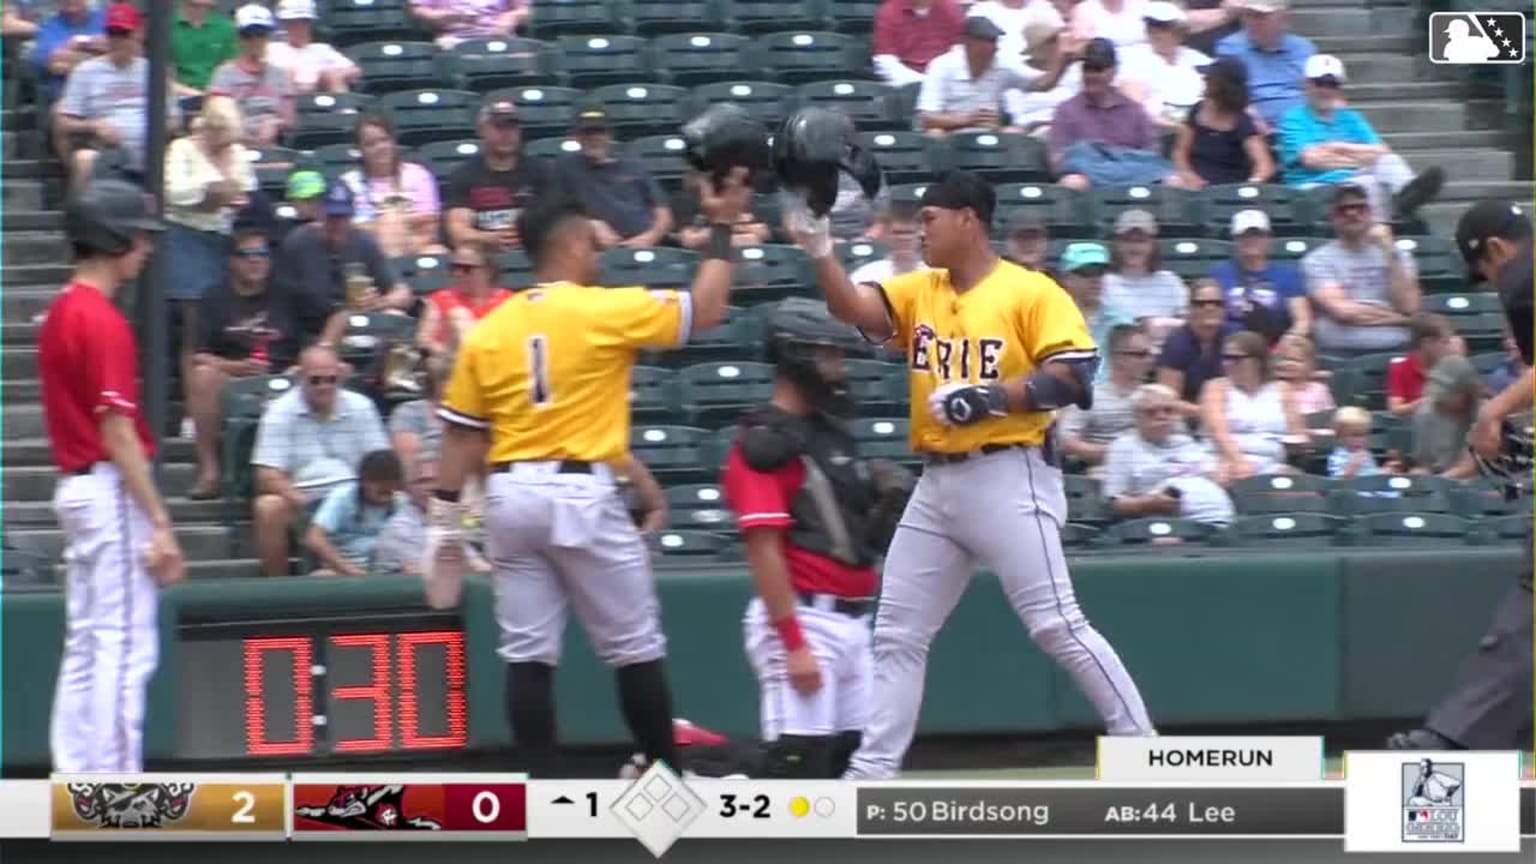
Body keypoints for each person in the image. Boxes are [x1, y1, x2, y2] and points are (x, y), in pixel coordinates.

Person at [784, 169, 1157, 781]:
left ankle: (1140, 747)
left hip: (1010, 474)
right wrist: (822, 250)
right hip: (937, 485)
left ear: (969, 220)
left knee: (1055, 622)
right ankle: (871, 775)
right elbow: (854, 309)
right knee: (897, 635)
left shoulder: (1029, 291)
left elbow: (1074, 375)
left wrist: (991, 397)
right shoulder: (920, 288)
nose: (919, 229)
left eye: (930, 218)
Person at [421, 170, 754, 778]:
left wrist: (443, 521)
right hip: (579, 490)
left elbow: (462, 435)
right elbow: (708, 306)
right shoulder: (600, 308)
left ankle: (543, 799)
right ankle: (663, 779)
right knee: (635, 649)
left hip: (511, 494)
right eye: (592, 244)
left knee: (527, 656)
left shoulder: (490, 327)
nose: (597, 253)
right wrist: (725, 223)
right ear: (572, 245)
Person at [721, 300, 905, 778]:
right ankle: (684, 758)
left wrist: (882, 511)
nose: (839, 368)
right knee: (798, 770)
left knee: (858, 765)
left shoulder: (831, 437)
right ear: (797, 356)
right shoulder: (764, 443)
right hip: (804, 618)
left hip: (851, 621)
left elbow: (849, 541)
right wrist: (794, 643)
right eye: (830, 356)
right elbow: (764, 550)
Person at [41, 178, 185, 773]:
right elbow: (118, 431)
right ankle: (113, 794)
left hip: (77, 488)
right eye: (140, 237)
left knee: (87, 643)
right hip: (106, 486)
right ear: (115, 238)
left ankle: (74, 778)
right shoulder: (100, 319)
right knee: (123, 648)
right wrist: (160, 519)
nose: (146, 249)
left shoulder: (58, 312)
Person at [1387, 198, 1532, 751]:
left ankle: (1454, 745)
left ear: (1495, 249)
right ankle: (1455, 740)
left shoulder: (1522, 275)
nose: (1491, 281)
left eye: (1485, 270)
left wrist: (1495, 413)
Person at [186, 226, 346, 499]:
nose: (256, 260)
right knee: (203, 376)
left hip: (288, 377)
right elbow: (198, 355)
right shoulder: (214, 298)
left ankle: (321, 473)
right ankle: (210, 471)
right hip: (235, 380)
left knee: (330, 373)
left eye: (262, 253)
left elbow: (339, 316)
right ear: (232, 261)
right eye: (246, 254)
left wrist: (318, 354)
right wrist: (235, 367)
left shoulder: (288, 293)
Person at [251, 345, 391, 577]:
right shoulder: (279, 411)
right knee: (267, 507)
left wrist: (357, 497)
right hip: (303, 499)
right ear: (300, 377)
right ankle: (279, 588)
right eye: (315, 380)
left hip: (356, 495)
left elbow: (380, 463)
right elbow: (267, 474)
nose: (324, 386)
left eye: (331, 379)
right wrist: (302, 502)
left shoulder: (361, 406)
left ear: (341, 376)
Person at [165, 96, 257, 423]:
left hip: (224, 239)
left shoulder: (237, 153)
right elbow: (174, 192)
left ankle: (222, 408)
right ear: (209, 129)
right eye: (222, 138)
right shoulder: (182, 149)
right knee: (195, 326)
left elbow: (246, 189)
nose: (226, 145)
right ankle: (193, 413)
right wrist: (213, 189)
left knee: (226, 322)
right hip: (186, 236)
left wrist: (227, 194)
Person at [1276, 54, 1443, 222]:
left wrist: (1336, 147)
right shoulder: (1293, 118)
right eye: (1320, 83)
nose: (1326, 90)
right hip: (1314, 188)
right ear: (1307, 85)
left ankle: (1407, 196)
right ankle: (1396, 218)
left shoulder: (1349, 117)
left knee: (1388, 163)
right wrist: (1360, 158)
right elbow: (1312, 160)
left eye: (1332, 84)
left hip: (1354, 181)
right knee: (1367, 185)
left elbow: (1382, 151)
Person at [53, 3, 177, 187]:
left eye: (124, 33)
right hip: (106, 150)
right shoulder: (86, 71)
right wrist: (94, 126)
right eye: (112, 33)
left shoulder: (154, 70)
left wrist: (156, 131)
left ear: (138, 33)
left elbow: (174, 119)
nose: (118, 40)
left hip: (153, 151)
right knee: (84, 159)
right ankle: (80, 213)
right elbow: (62, 123)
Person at [1303, 184, 1421, 355]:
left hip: (1398, 348)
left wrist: (1389, 252)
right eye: (1343, 210)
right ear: (1332, 217)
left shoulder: (1398, 255)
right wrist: (1402, 320)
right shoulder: (1317, 260)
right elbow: (1344, 312)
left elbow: (1409, 306)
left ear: (1370, 213)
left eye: (1360, 208)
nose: (1352, 214)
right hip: (1341, 352)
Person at [1048, 38, 1179, 190]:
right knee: (1072, 183)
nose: (1091, 75)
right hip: (1090, 179)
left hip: (1133, 178)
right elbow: (1056, 162)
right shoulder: (1066, 110)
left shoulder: (1134, 110)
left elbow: (1151, 155)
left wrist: (1117, 159)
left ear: (1113, 71)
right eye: (1087, 68)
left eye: (1098, 69)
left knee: (1173, 182)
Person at [1101, 383, 1235, 526]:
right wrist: (1146, 505)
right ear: (1136, 417)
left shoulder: (1186, 442)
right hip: (1166, 527)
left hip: (1218, 522)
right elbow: (1113, 504)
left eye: (1168, 410)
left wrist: (1223, 472)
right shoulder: (1124, 447)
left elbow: (1217, 474)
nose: (1161, 416)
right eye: (1151, 411)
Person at [917, 16, 1076, 135]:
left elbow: (1042, 85)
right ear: (967, 42)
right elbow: (927, 119)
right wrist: (967, 120)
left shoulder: (1002, 65)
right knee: (934, 135)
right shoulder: (942, 66)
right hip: (949, 133)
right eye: (986, 41)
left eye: (994, 41)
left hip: (988, 132)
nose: (993, 46)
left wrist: (1062, 62)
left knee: (1013, 134)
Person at [275, 180, 414, 315]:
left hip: (354, 322)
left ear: (351, 215)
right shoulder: (299, 241)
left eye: (343, 217)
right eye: (332, 216)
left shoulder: (364, 243)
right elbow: (281, 293)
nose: (337, 223)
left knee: (395, 314)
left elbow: (403, 294)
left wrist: (379, 302)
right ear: (320, 214)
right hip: (310, 323)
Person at [556, 105, 673, 250]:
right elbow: (552, 213)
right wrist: (590, 224)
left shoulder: (634, 165)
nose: (594, 138)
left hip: (647, 246)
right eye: (587, 133)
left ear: (610, 136)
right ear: (576, 137)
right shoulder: (565, 168)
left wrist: (649, 237)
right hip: (595, 252)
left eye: (600, 132)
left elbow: (663, 213)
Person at [444, 98, 551, 252]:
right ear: (482, 130)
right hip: (485, 257)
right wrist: (491, 238)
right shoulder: (464, 175)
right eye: (499, 127)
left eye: (512, 127)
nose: (506, 134)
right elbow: (458, 233)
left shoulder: (541, 171)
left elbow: (558, 221)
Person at [1199, 329, 1308, 481]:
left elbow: (1298, 434)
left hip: (1271, 463)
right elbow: (1218, 432)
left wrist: (1299, 443)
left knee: (1296, 487)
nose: (1227, 363)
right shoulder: (1216, 387)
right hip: (1224, 460)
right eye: (1225, 357)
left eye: (1235, 358)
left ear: (1257, 361)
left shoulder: (1283, 389)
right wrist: (1238, 461)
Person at [340, 113, 445, 259]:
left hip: (415, 247)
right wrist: (399, 222)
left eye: (384, 140)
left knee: (436, 253)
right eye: (371, 144)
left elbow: (430, 225)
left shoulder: (418, 175)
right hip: (368, 254)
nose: (380, 147)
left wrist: (384, 224)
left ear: (393, 141)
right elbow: (350, 231)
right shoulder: (349, 182)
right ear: (359, 149)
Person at [1057, 323, 1150, 474]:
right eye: (1141, 355)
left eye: (1149, 354)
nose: (1149, 360)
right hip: (1104, 472)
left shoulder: (1154, 394)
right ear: (1119, 357)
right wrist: (1116, 455)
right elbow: (1066, 440)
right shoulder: (1091, 397)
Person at [1170, 56, 1274, 189]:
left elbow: (1265, 166)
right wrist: (1187, 174)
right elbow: (1180, 152)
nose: (1204, 80)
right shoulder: (1196, 110)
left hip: (1228, 189)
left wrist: (1250, 186)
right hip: (1194, 184)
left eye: (1209, 78)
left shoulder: (1242, 122)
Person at [1214, 0, 1314, 128]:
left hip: (1301, 126)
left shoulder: (1303, 48)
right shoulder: (1229, 48)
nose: (1253, 22)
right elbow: (1229, 95)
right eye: (1248, 15)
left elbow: (1317, 91)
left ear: (1284, 19)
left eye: (1261, 16)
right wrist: (1252, 120)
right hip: (1252, 128)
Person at [1209, 209, 1305, 343]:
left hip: (1273, 347)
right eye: (1245, 236)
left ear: (1268, 238)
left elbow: (1303, 321)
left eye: (1257, 235)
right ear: (1235, 239)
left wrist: (1284, 347)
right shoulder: (1218, 275)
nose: (1251, 240)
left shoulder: (1287, 275)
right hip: (1228, 348)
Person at [305, 449, 406, 576]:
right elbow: (315, 538)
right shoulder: (342, 497)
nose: (387, 491)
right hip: (344, 570)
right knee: (320, 576)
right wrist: (351, 570)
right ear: (363, 481)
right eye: (380, 486)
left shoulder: (400, 501)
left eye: (390, 488)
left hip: (390, 571)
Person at [207, 5, 294, 147]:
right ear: (239, 38)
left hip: (273, 149)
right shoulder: (224, 74)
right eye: (247, 35)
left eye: (260, 34)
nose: (255, 41)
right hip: (233, 147)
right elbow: (216, 118)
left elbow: (289, 119)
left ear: (268, 37)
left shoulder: (280, 74)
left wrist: (276, 123)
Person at [1118, 1, 1210, 128]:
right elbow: (1135, 107)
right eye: (1151, 27)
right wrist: (1178, 128)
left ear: (1179, 32)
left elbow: (1216, 96)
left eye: (1163, 28)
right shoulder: (1134, 58)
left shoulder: (1198, 59)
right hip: (1157, 131)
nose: (1156, 33)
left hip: (1199, 126)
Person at [1102, 209, 1186, 340]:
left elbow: (1189, 325)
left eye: (1141, 241)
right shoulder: (1104, 284)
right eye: (1128, 241)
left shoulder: (1171, 281)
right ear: (1117, 244)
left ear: (1153, 245)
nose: (1134, 248)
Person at [1155, 278, 1235, 417]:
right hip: (1186, 419)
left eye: (1217, 303)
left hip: (1232, 413)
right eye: (1200, 304)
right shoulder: (1176, 343)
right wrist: (1206, 413)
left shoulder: (1235, 337)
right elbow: (1167, 398)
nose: (1210, 308)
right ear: (1189, 309)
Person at [416, 243, 512, 357]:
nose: (458, 274)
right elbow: (423, 340)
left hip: (495, 361)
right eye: (454, 268)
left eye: (466, 269)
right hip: (449, 363)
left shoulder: (506, 300)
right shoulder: (441, 298)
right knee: (459, 317)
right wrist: (443, 352)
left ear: (488, 271)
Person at [1057, 241, 1132, 384]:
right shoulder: (1046, 321)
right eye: (1087, 273)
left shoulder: (1122, 323)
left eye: (1100, 273)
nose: (1095, 280)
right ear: (1066, 278)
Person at [1003, 16, 1083, 138]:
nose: (1059, 42)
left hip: (1069, 127)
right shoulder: (1018, 72)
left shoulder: (1074, 70)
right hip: (1030, 131)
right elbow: (1018, 118)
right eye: (1053, 39)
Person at [267, 0, 360, 95]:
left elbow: (354, 70)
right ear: (285, 25)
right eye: (294, 22)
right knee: (286, 74)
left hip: (321, 96)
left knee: (331, 75)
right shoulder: (273, 49)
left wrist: (330, 76)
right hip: (283, 97)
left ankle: (345, 109)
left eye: (304, 22)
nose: (299, 27)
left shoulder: (322, 49)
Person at [871, 0, 966, 88]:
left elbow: (961, 53)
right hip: (906, 86)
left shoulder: (951, 8)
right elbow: (885, 62)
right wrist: (925, 82)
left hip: (947, 82)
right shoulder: (889, 11)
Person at [672, 170, 771, 251]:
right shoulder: (685, 202)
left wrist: (709, 234)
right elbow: (690, 239)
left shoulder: (737, 200)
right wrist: (737, 229)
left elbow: (762, 232)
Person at [1386, 313, 1456, 418]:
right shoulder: (1400, 368)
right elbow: (1396, 409)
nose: (1449, 348)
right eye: (1444, 342)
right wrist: (1423, 404)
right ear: (1427, 343)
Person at [171, 0, 238, 105]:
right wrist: (196, 94)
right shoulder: (166, 26)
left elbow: (229, 70)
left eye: (205, 6)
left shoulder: (226, 28)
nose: (200, 10)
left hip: (217, 96)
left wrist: (212, 93)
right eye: (194, 6)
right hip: (177, 96)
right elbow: (163, 79)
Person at [850, 203, 925, 283]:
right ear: (887, 236)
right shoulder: (868, 274)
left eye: (909, 233)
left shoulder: (934, 273)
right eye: (898, 233)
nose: (904, 238)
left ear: (920, 236)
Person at [411, 0, 531, 50]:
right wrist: (448, 17)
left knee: (524, 58)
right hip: (454, 36)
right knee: (445, 49)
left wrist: (510, 18)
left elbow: (524, 10)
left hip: (497, 34)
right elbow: (419, 11)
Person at [1275, 332, 1335, 416]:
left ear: (1310, 365)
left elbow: (1328, 416)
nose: (1290, 364)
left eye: (1296, 360)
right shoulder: (1275, 389)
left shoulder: (1320, 389)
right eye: (1286, 359)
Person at [1325, 405, 1391, 479]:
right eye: (1355, 435)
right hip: (1353, 489)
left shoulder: (1365, 453)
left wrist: (1383, 471)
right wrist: (1352, 466)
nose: (1362, 439)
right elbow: (1338, 483)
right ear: (1340, 437)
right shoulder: (1338, 457)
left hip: (1371, 487)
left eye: (1365, 434)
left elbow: (1370, 473)